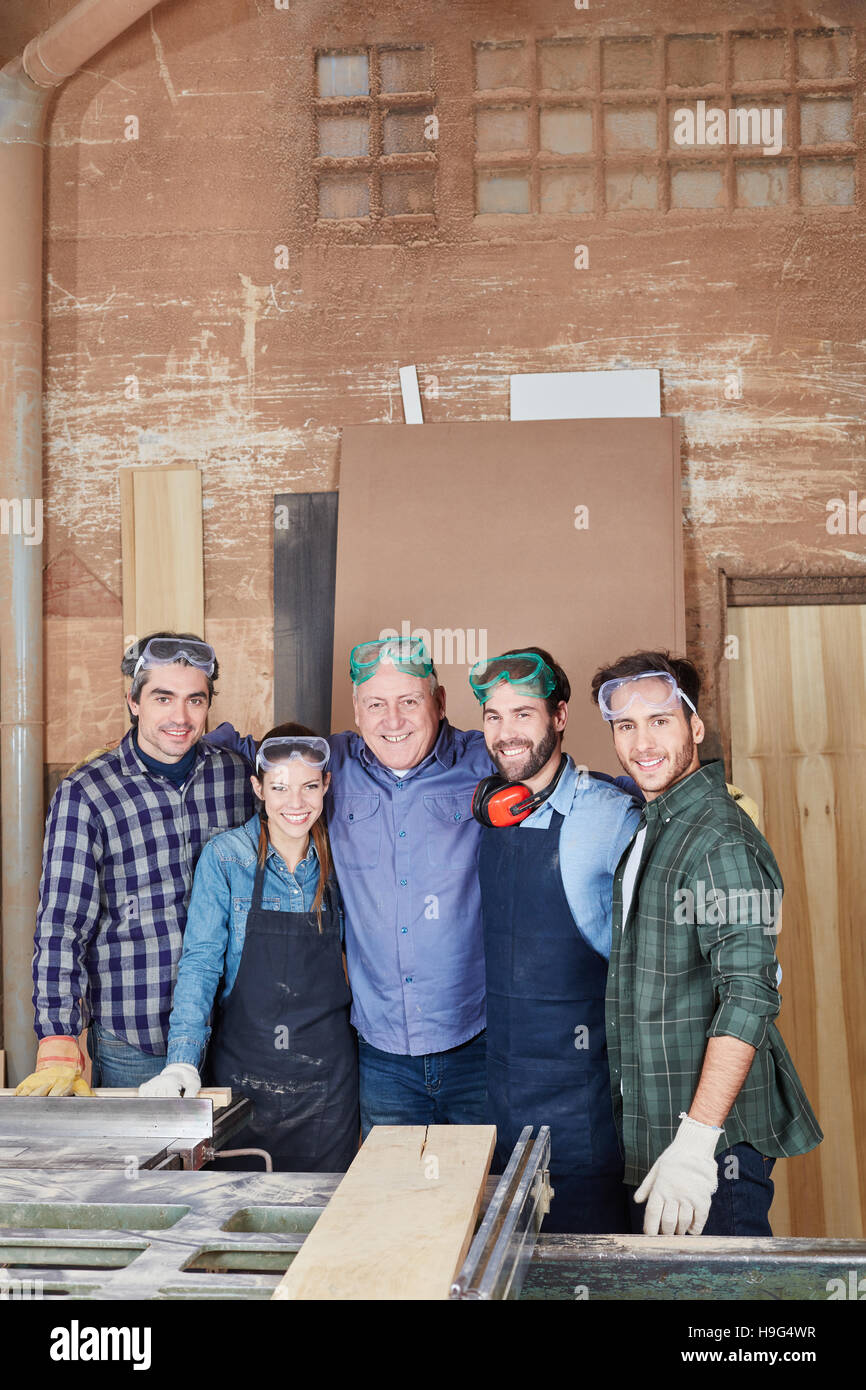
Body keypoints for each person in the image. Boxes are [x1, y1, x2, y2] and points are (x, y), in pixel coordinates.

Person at [206, 635, 494, 1135]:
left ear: (441, 703)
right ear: (357, 712)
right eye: (376, 704)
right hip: (379, 1057)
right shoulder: (327, 764)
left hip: (477, 1045)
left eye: (410, 701)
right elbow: (242, 750)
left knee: (486, 1197)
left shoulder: (482, 761)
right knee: (387, 1200)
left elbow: (549, 769)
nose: (394, 720)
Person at [591, 650, 823, 1237]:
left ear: (694, 727)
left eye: (660, 721)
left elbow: (748, 996)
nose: (642, 742)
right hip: (660, 1137)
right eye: (626, 726)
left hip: (708, 1150)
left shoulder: (718, 839)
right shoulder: (660, 824)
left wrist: (695, 1144)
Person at [15, 634, 254, 1098]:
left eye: (195, 700)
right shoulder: (87, 792)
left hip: (231, 1032)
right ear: (134, 701)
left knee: (235, 1168)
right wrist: (59, 1035)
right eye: (163, 698)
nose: (180, 718)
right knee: (149, 1170)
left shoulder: (235, 778)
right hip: (135, 1036)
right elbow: (62, 925)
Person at [469, 647, 641, 1233]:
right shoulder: (491, 811)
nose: (506, 732)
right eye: (494, 716)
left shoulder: (611, 814)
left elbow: (656, 958)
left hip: (583, 1103)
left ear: (560, 716)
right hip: (500, 1098)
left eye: (523, 714)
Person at [141, 725, 359, 1173]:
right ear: (258, 787)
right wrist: (182, 1062)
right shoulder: (227, 858)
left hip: (328, 1089)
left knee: (319, 1223)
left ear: (326, 785)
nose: (295, 803)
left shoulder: (344, 856)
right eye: (279, 787)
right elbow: (201, 964)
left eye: (309, 787)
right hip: (242, 1084)